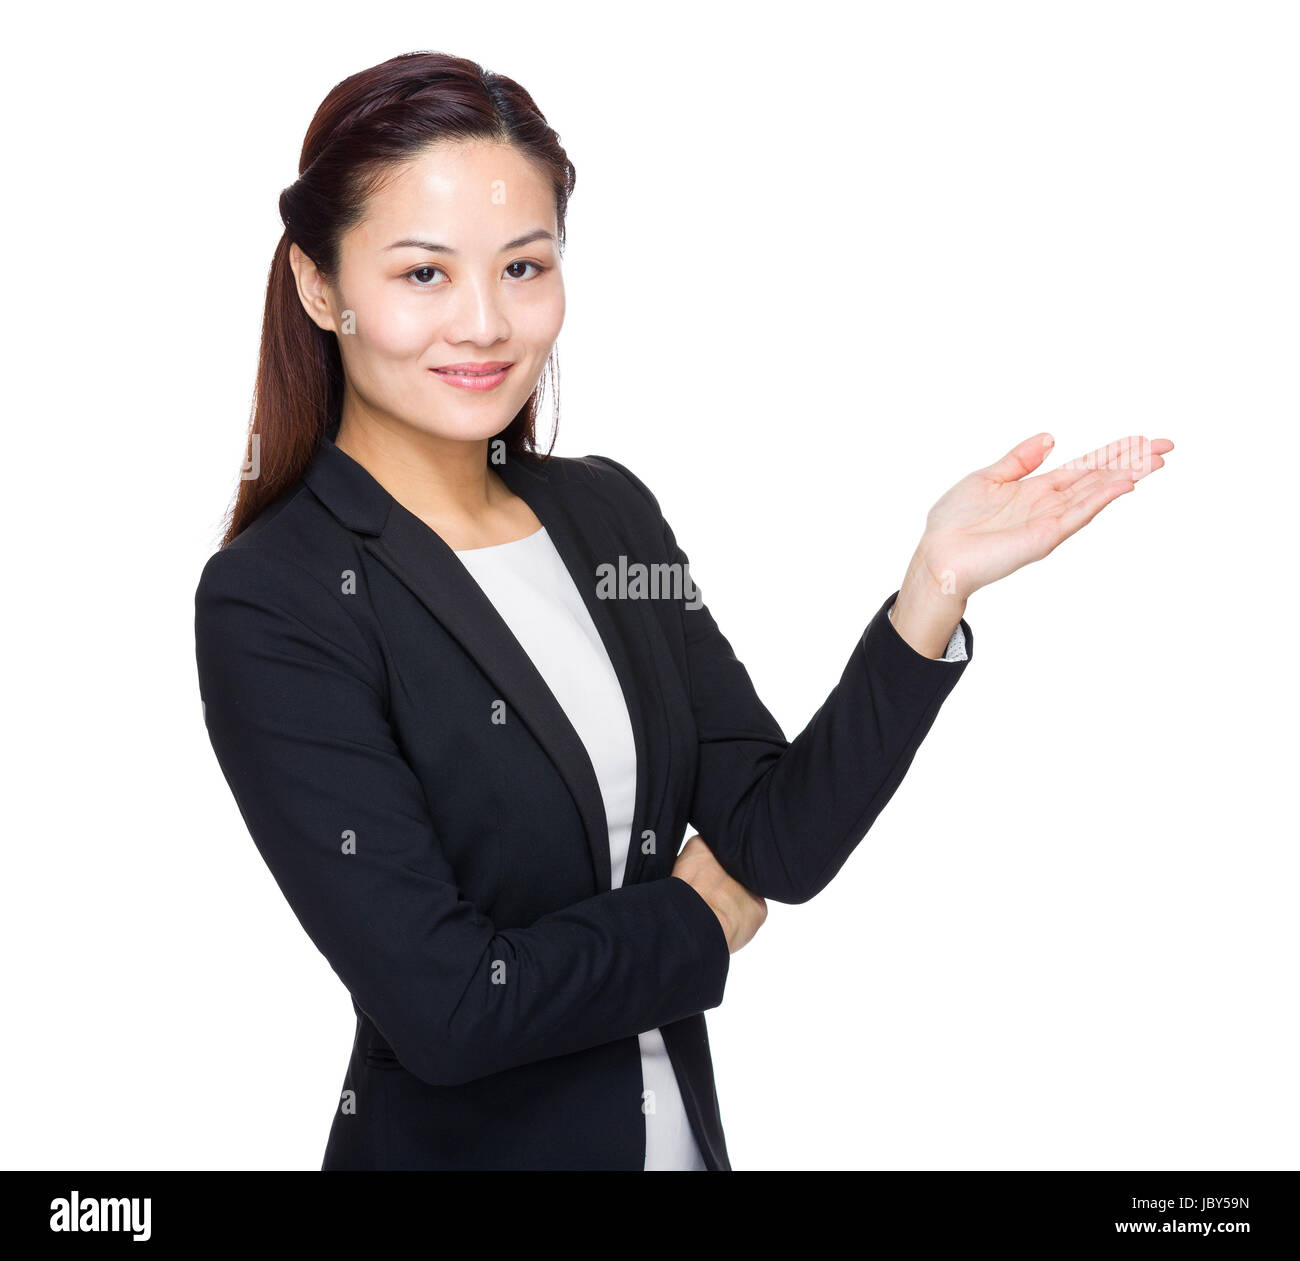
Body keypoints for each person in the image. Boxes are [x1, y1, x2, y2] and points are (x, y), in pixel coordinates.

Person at [194, 50, 1173, 1171]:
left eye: (523, 266)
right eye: (423, 274)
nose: (483, 323)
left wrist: (930, 589)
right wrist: (697, 919)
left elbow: (773, 837)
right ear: (322, 286)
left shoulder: (606, 516)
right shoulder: (275, 599)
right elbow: (449, 1008)